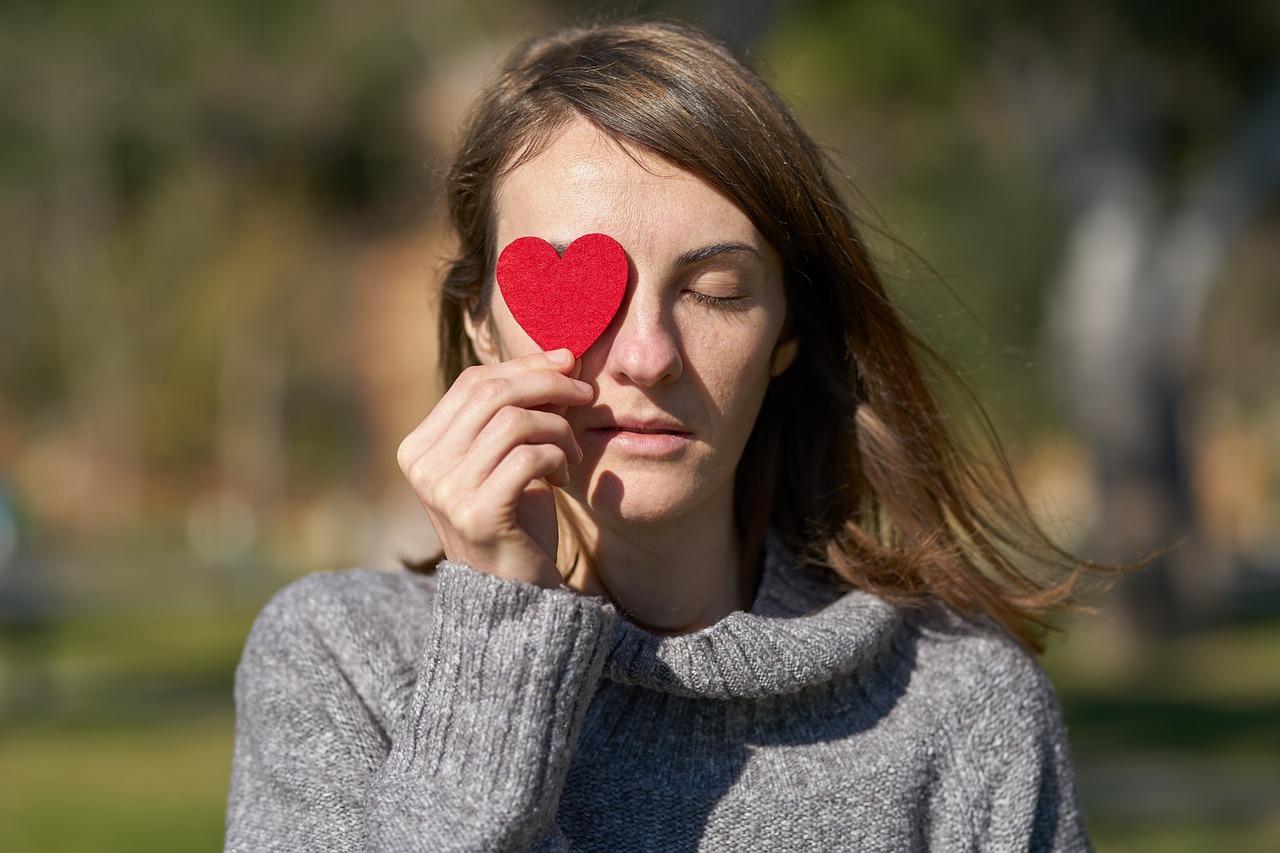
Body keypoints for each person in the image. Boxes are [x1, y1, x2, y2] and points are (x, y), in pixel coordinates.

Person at [225, 18, 1147, 852]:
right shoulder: (339, 661)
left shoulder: (961, 705)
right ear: (481, 322)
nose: (648, 356)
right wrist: (497, 641)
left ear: (788, 332)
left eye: (714, 291)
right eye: (585, 292)